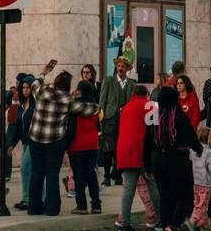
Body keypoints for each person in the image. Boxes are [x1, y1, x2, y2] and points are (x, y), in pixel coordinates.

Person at [28, 62, 99, 216]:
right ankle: (51, 209)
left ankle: (34, 207)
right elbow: (85, 110)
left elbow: (34, 83)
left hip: (35, 138)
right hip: (55, 141)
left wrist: (43, 73)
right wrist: (98, 107)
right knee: (52, 173)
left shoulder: (42, 92)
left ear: (55, 83)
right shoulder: (67, 100)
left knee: (37, 173)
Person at [146, 84, 202, 231]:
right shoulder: (179, 115)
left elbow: (146, 140)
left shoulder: (153, 116)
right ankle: (172, 228)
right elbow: (191, 138)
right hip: (176, 159)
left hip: (157, 159)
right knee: (185, 197)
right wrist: (200, 149)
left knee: (166, 198)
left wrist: (147, 165)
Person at [114, 84, 162, 231]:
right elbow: (154, 130)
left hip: (125, 151)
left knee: (128, 189)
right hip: (143, 151)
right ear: (146, 94)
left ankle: (125, 223)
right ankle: (160, 220)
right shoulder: (150, 105)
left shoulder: (126, 108)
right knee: (153, 186)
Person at [97, 56, 135, 187]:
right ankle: (107, 176)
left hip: (125, 121)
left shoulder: (132, 84)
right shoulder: (108, 80)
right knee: (108, 149)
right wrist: (100, 120)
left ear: (127, 69)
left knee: (121, 149)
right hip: (110, 118)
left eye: (123, 66)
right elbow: (102, 101)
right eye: (118, 66)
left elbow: (132, 103)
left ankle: (118, 175)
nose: (120, 68)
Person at [68, 79, 102, 214]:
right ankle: (96, 205)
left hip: (77, 146)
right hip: (92, 145)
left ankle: (81, 206)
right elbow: (98, 127)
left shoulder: (74, 108)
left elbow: (71, 129)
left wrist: (67, 144)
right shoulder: (95, 108)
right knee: (91, 175)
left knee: (79, 177)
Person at [185, 122, 211, 231]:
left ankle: (205, 226)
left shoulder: (192, 150)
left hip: (193, 182)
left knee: (198, 204)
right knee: (202, 206)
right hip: (205, 184)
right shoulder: (209, 153)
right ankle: (192, 221)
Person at [10, 74, 36, 210]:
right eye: (23, 87)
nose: (25, 90)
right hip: (25, 142)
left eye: (28, 87)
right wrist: (12, 144)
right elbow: (18, 126)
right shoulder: (22, 105)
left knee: (27, 169)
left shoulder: (35, 105)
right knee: (29, 171)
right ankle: (27, 198)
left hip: (34, 142)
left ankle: (30, 199)